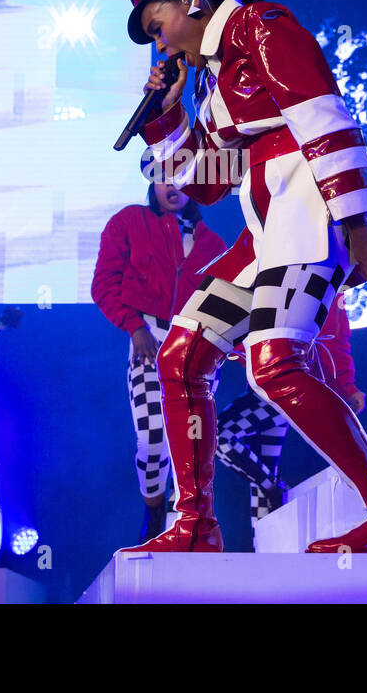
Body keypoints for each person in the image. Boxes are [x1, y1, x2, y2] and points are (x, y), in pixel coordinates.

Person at [118, 0, 367, 554]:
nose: (161, 45)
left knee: (274, 363)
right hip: (265, 228)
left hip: (309, 213)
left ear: (191, 0)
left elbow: (327, 119)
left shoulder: (264, 28)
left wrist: (357, 223)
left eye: (159, 26)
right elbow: (207, 182)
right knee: (179, 357)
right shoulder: (210, 77)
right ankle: (195, 527)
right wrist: (163, 118)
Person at [91, 166, 228, 544]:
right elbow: (103, 285)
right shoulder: (129, 221)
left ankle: (185, 524)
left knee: (191, 444)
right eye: (166, 178)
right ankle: (154, 510)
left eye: (182, 178)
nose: (174, 186)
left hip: (196, 344)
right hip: (148, 339)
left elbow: (225, 304)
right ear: (153, 183)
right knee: (153, 439)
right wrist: (134, 327)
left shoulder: (214, 244)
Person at [216, 291, 362, 528]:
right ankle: (266, 548)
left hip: (290, 382)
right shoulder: (273, 273)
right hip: (263, 379)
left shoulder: (331, 290)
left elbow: (337, 340)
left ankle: (275, 488)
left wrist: (347, 386)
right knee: (262, 468)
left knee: (221, 438)